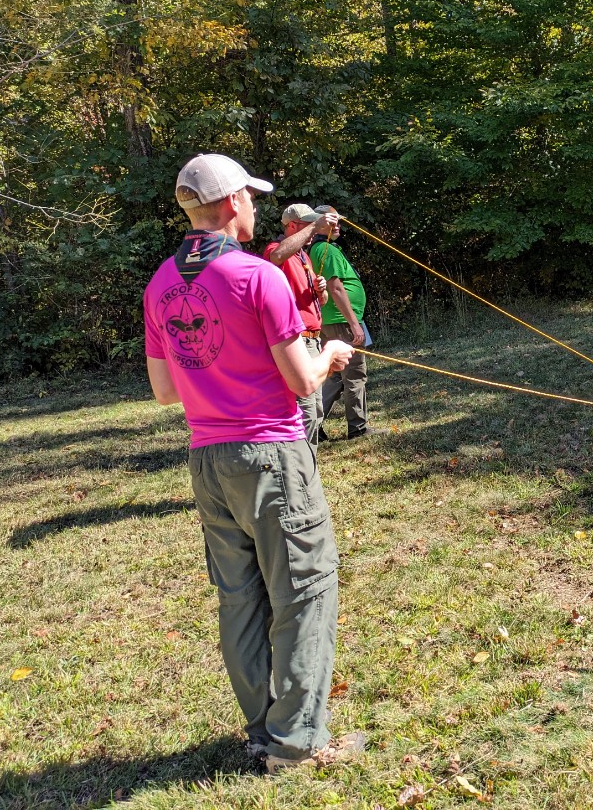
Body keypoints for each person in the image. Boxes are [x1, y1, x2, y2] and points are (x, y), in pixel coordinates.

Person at [143, 154, 365, 770]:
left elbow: (165, 391)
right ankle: (297, 742)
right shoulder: (256, 277)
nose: (256, 207)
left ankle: (265, 730)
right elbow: (300, 382)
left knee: (240, 599)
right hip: (271, 456)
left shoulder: (161, 282)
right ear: (233, 202)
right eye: (252, 197)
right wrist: (331, 354)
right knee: (304, 590)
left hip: (207, 461)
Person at [264, 204, 337, 445]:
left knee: (316, 409)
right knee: (306, 411)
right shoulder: (277, 249)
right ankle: (301, 469)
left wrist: (321, 291)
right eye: (309, 225)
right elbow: (275, 256)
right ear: (292, 226)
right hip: (298, 340)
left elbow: (318, 301)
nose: (314, 231)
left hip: (313, 338)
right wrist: (317, 226)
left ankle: (308, 464)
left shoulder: (303, 255)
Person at [308, 206, 372, 440]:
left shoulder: (318, 248)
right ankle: (359, 428)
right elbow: (335, 287)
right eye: (332, 222)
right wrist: (354, 324)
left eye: (339, 222)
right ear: (320, 224)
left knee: (334, 375)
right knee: (354, 374)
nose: (338, 227)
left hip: (332, 321)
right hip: (342, 322)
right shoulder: (325, 249)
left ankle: (313, 427)